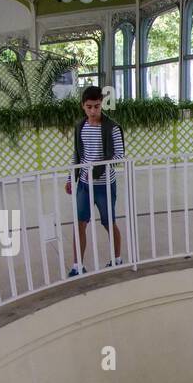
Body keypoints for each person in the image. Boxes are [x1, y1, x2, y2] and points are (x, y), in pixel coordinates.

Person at [65, 85, 126, 276]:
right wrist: (71, 177)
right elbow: (78, 154)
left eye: (97, 106)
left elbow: (119, 156)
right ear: (83, 106)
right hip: (83, 184)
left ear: (102, 105)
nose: (93, 111)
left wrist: (98, 169)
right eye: (89, 106)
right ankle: (77, 266)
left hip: (105, 185)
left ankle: (116, 259)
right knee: (79, 223)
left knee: (109, 222)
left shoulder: (112, 127)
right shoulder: (80, 127)